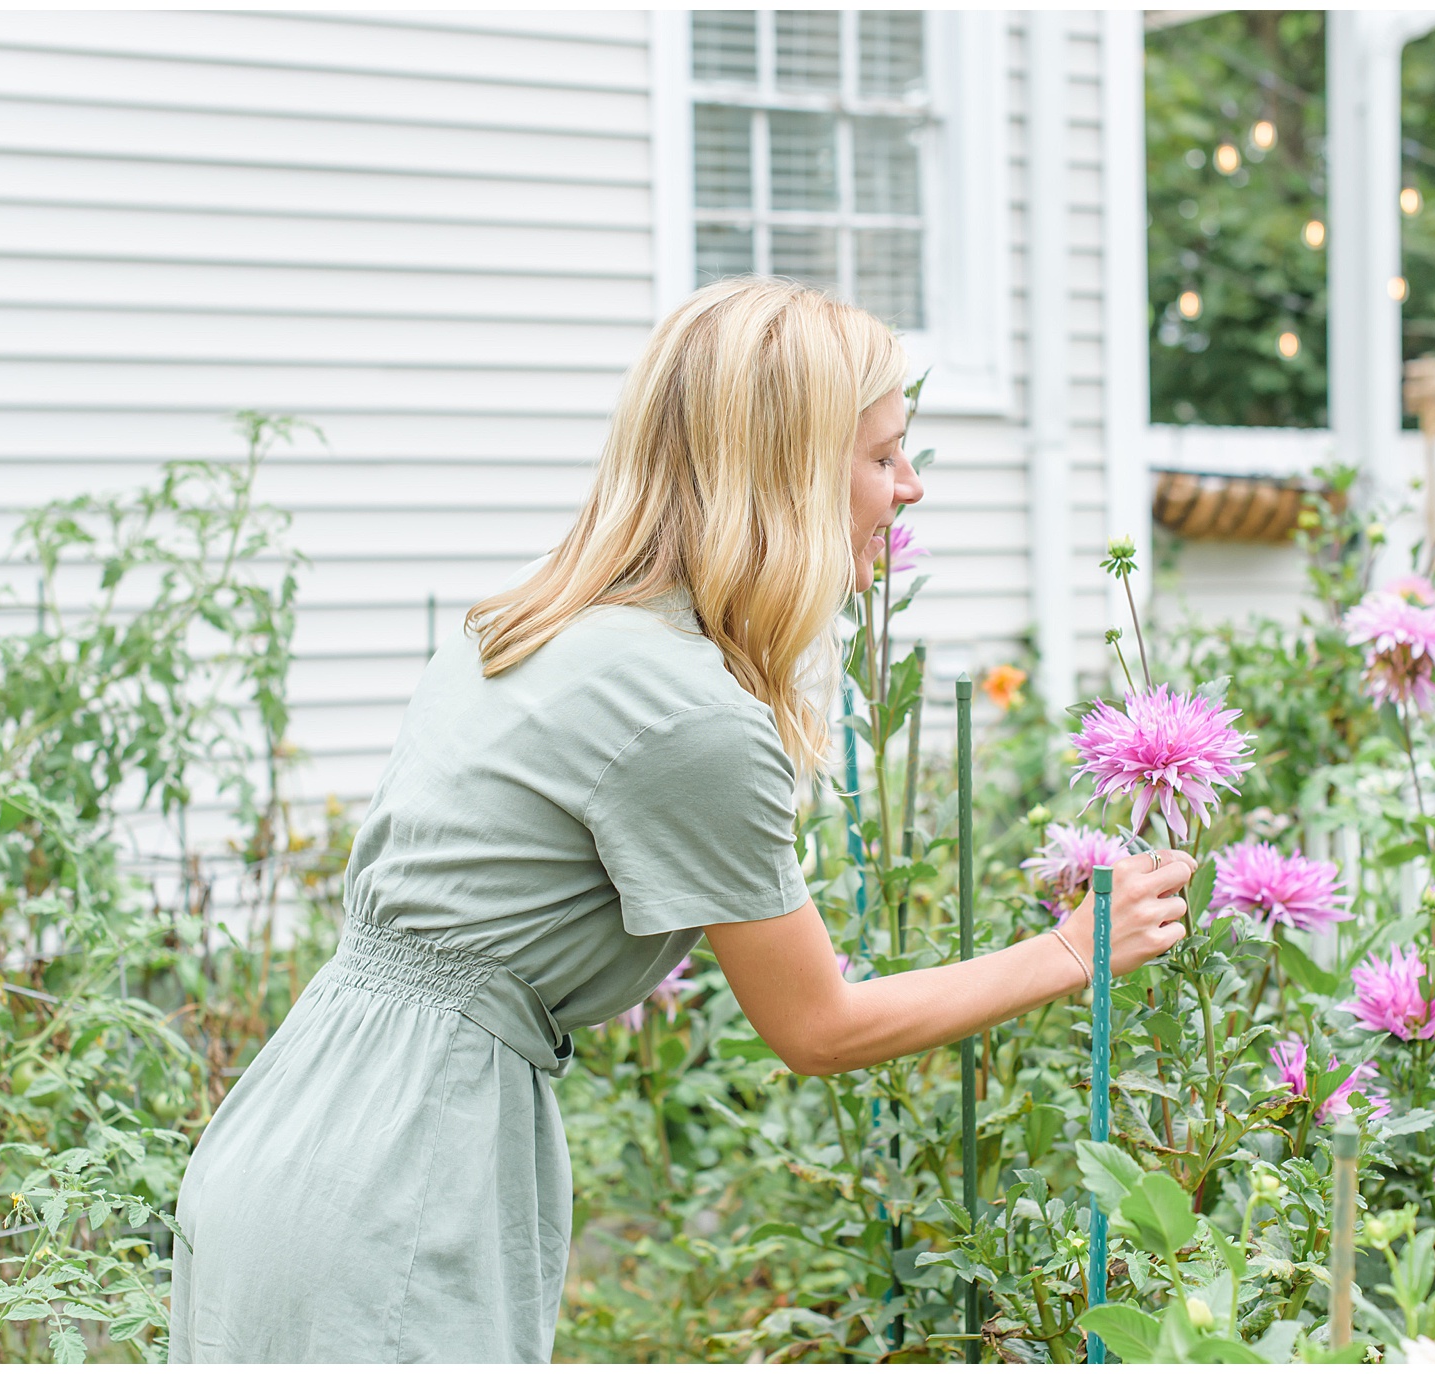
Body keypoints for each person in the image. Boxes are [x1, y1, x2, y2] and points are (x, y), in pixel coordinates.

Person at [168, 279, 1194, 1363]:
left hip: (292, 1130)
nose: (907, 489)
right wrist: (1069, 949)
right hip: (398, 1179)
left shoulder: (543, 611)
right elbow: (816, 1027)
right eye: (883, 456)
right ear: (790, 475)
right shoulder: (683, 714)